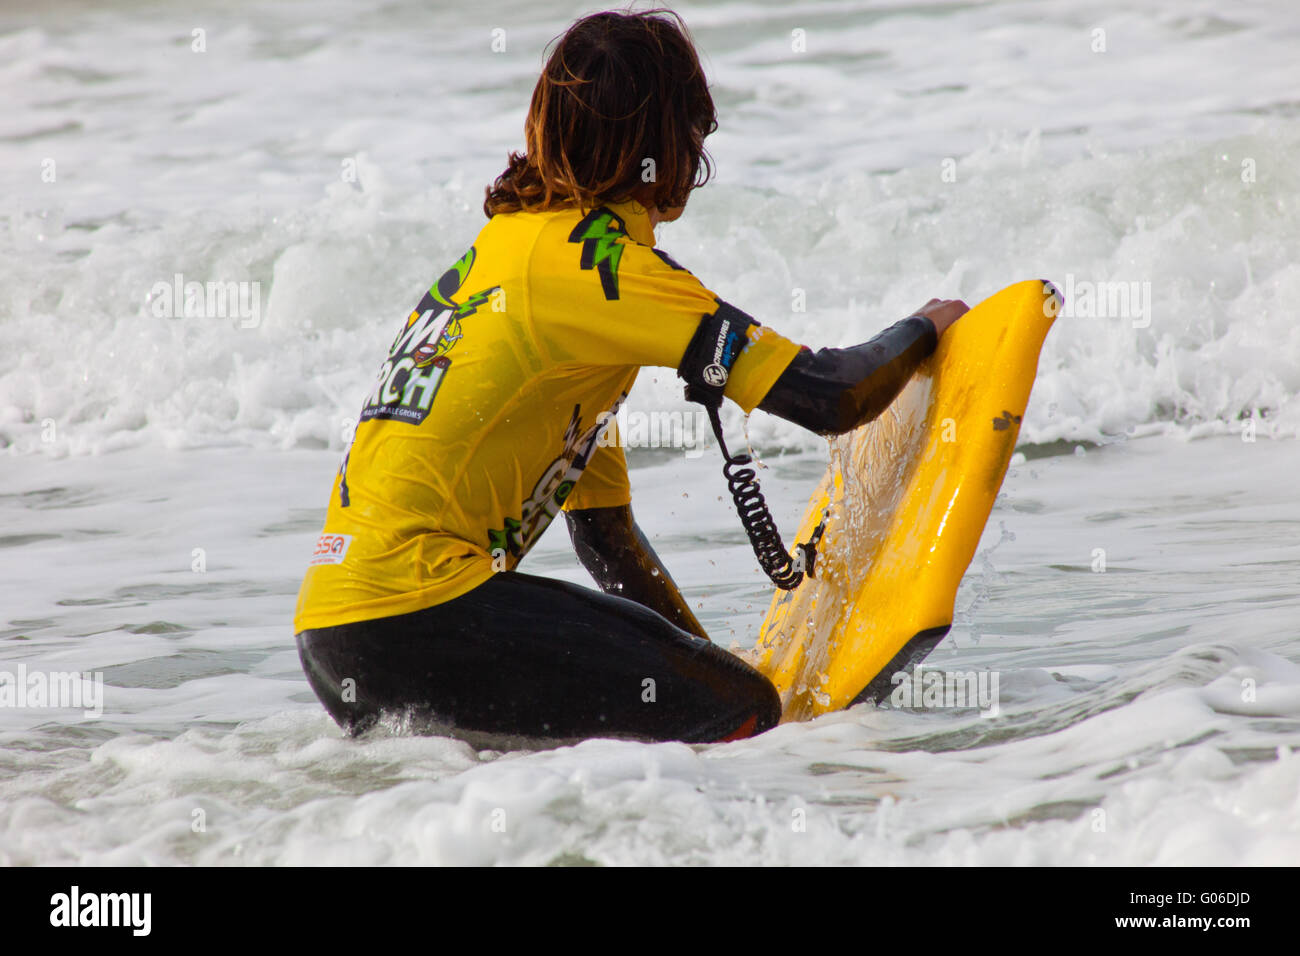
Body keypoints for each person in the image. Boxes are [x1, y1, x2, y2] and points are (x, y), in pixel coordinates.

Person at [293, 8, 967, 748]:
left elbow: (606, 537)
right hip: (423, 614)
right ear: (666, 141)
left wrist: (707, 670)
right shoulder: (603, 270)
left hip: (337, 637)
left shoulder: (503, 255)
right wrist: (924, 329)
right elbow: (832, 394)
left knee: (683, 719)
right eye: (691, 132)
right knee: (735, 712)